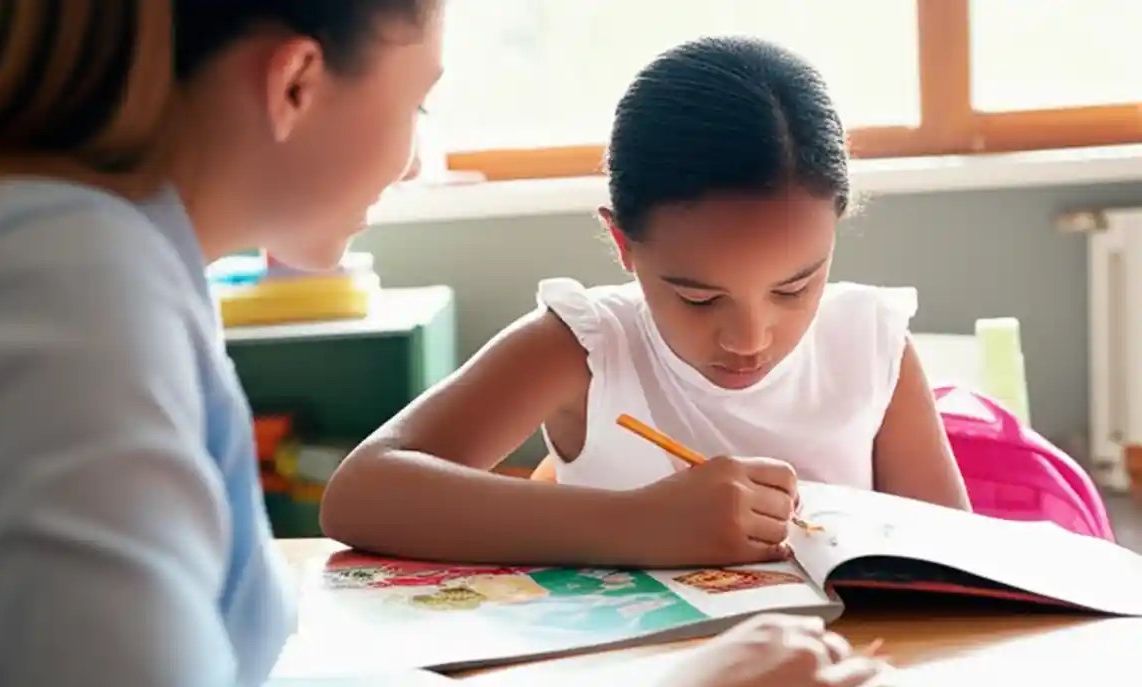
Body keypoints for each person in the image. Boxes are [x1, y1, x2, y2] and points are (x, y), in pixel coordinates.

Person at [0, 2, 898, 687]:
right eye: (420, 97)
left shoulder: (70, 250)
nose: (410, 154)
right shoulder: (63, 281)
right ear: (297, 80)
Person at [322, 36, 971, 569]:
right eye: (697, 297)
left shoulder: (870, 343)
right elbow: (362, 494)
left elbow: (968, 561)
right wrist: (641, 525)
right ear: (623, 244)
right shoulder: (587, 347)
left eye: (795, 287)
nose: (749, 337)